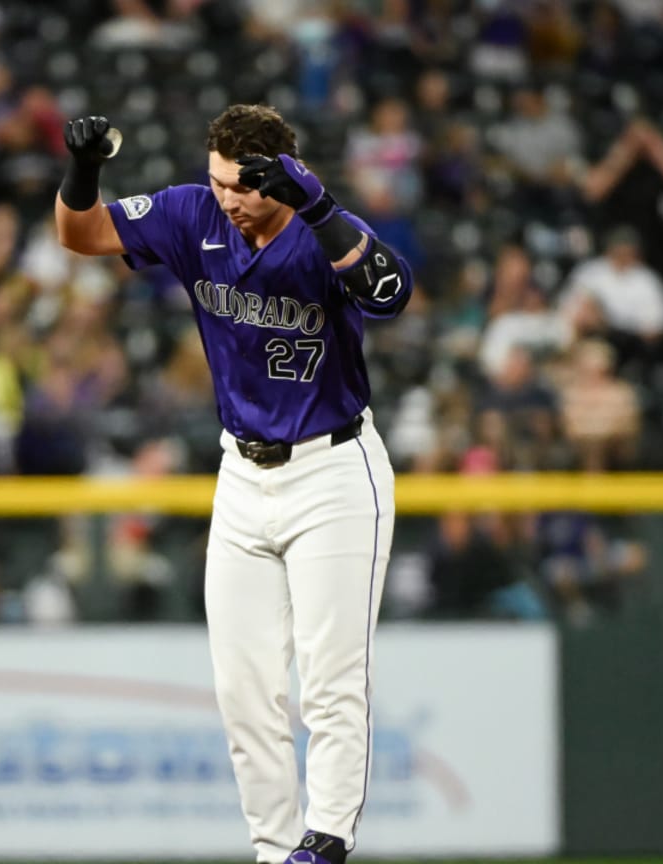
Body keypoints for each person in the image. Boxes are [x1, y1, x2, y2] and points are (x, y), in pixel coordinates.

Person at [54, 105, 413, 864]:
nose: (226, 195)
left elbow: (391, 295)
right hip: (242, 473)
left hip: (333, 469)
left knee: (329, 678)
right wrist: (83, 171)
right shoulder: (193, 214)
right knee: (244, 691)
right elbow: (79, 234)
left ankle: (327, 841)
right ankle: (274, 851)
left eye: (242, 184)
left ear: (279, 177)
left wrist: (316, 204)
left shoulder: (322, 232)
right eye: (218, 178)